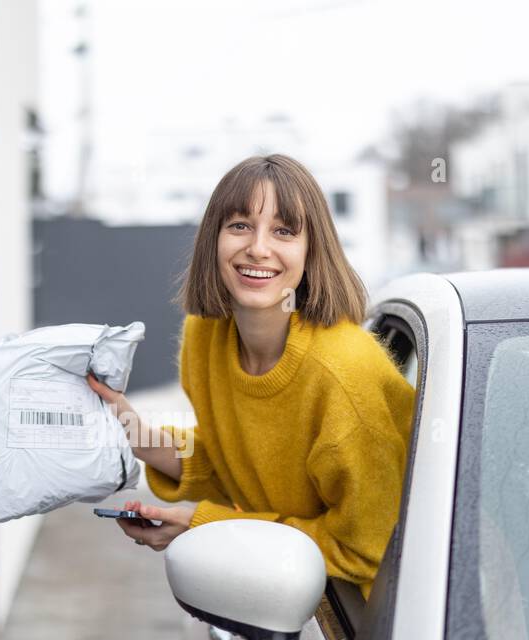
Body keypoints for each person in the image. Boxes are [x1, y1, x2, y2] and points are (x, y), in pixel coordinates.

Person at [85, 153, 414, 601]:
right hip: (285, 591)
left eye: (283, 231)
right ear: (213, 239)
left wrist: (202, 525)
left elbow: (365, 550)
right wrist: (135, 432)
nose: (258, 248)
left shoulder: (341, 374)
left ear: (311, 251)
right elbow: (232, 461)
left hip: (392, 626)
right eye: (240, 225)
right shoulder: (206, 337)